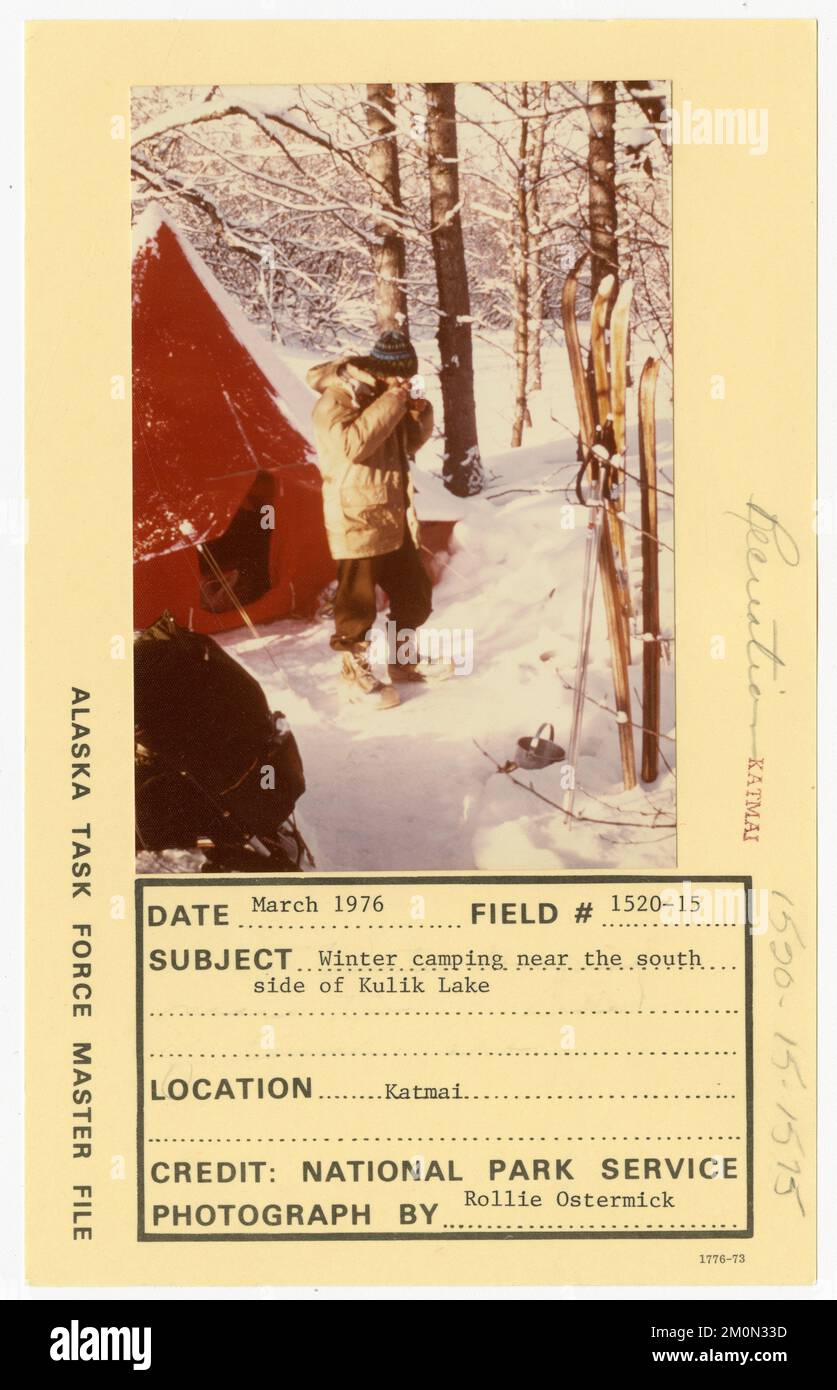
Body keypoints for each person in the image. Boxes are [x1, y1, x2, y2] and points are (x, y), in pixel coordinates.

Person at [307, 330, 450, 709]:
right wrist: (393, 400)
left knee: (414, 592)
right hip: (356, 516)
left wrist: (418, 411)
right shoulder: (337, 397)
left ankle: (403, 662)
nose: (405, 384)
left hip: (391, 513)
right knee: (357, 607)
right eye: (401, 378)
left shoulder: (383, 396)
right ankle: (353, 677)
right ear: (384, 372)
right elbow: (353, 446)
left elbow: (405, 445)